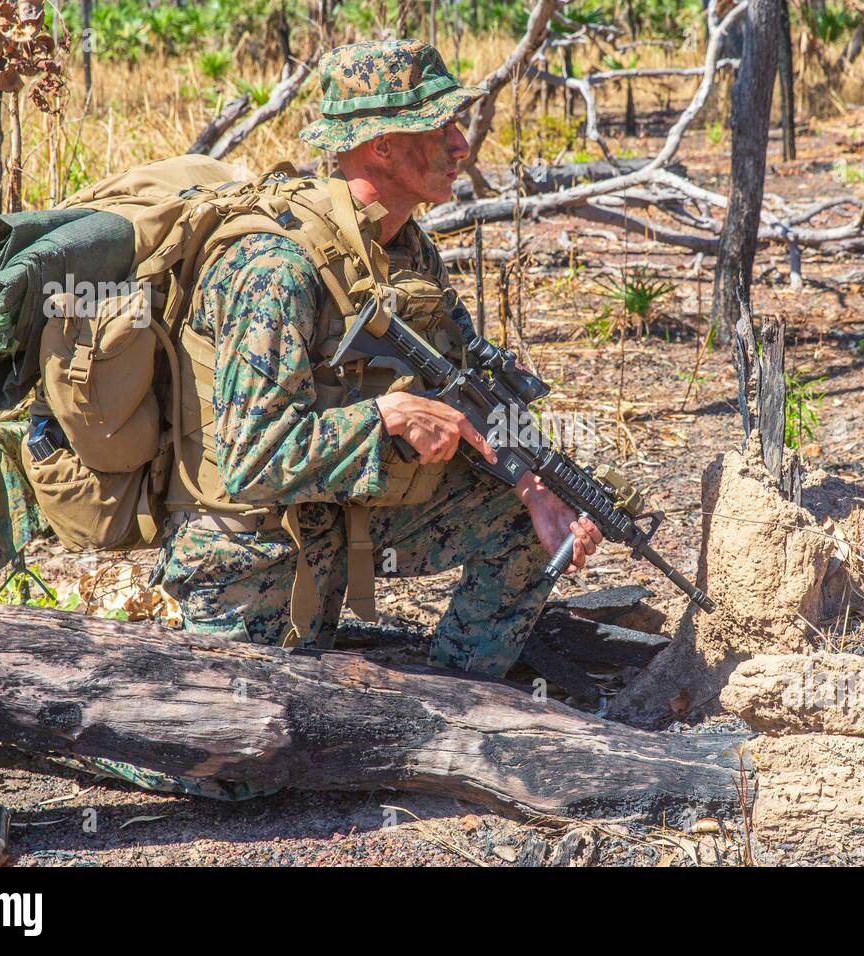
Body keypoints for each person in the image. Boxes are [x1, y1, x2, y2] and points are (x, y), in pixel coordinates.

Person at [154, 38, 603, 679]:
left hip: (339, 513)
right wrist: (387, 418)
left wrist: (535, 488)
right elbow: (252, 459)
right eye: (439, 126)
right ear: (382, 146)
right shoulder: (277, 267)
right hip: (251, 542)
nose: (461, 146)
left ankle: (457, 710)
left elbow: (462, 390)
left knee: (523, 518)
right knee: (245, 769)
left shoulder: (406, 248)